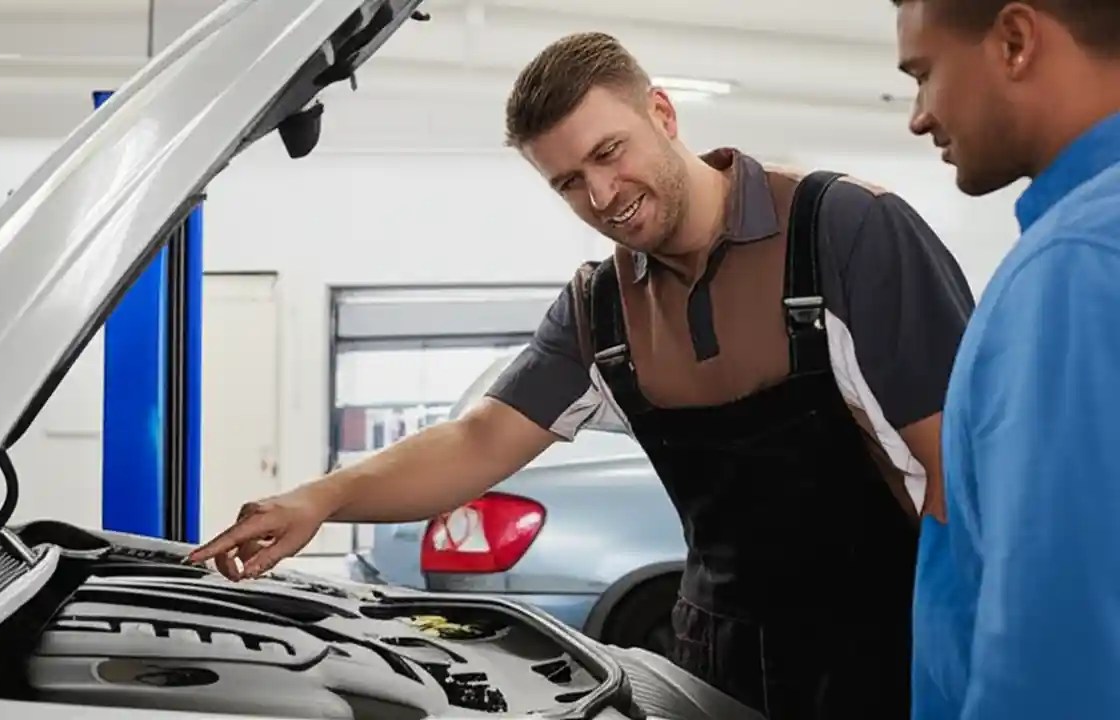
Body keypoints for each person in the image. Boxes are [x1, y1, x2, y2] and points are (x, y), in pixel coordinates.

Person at [191, 31, 974, 718]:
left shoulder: (843, 231)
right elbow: (476, 441)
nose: (601, 196)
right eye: (567, 181)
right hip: (715, 662)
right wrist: (321, 498)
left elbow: (958, 477)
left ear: (662, 115)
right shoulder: (601, 310)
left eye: (609, 152)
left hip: (887, 652)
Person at [892, 1, 1120, 718]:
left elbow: (1060, 658)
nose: (918, 116)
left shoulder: (1075, 265)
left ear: (1015, 41)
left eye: (924, 75)